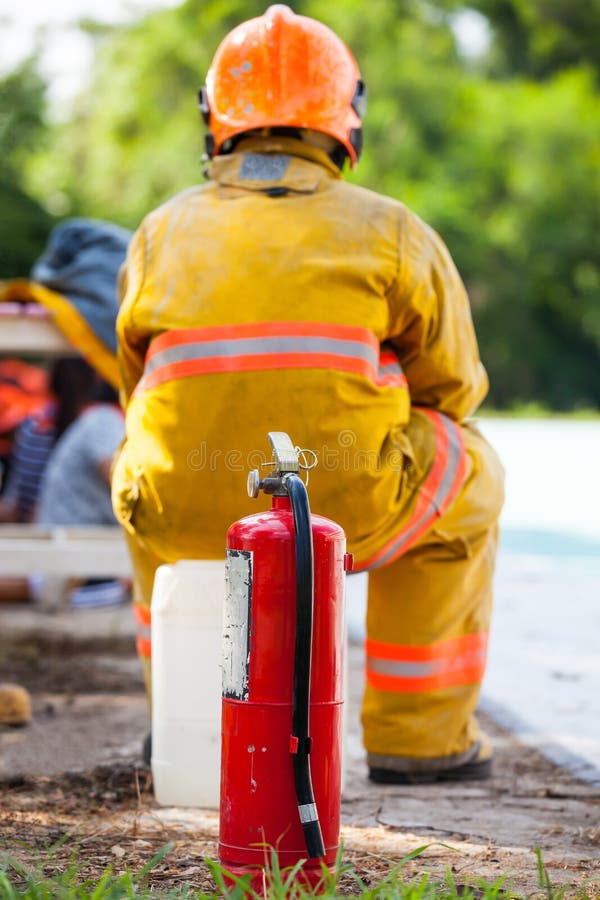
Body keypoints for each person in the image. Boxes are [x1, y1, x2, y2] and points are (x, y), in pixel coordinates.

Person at [113, 5, 504, 783]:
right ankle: (418, 741)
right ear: (344, 119)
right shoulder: (391, 230)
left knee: (143, 460)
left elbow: (136, 379)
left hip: (188, 510)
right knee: (470, 467)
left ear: (215, 121)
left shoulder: (160, 231)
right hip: (340, 502)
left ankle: (180, 725)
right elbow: (453, 388)